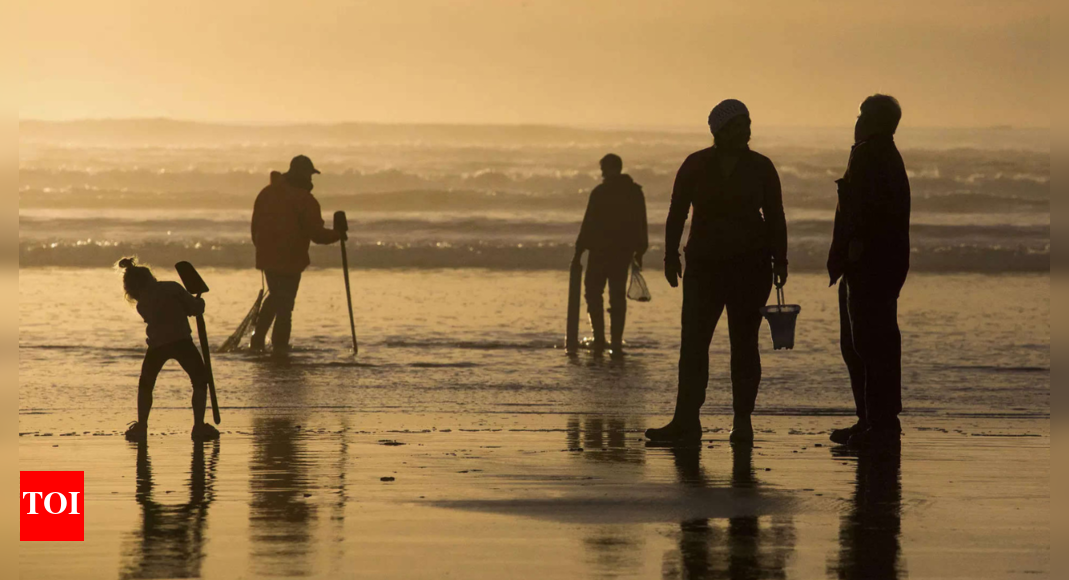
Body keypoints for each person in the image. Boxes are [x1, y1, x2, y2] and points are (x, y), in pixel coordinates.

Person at [646, 100, 788, 445]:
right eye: (738, 125)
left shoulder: (761, 167)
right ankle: (686, 421)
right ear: (719, 131)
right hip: (703, 266)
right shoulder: (695, 164)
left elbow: (775, 216)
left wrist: (780, 261)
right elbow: (676, 212)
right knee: (693, 344)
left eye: (748, 124)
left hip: (751, 267)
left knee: (744, 344)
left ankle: (742, 420)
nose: (746, 131)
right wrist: (669, 257)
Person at [827, 95, 911, 448]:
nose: (856, 120)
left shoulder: (867, 154)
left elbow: (859, 211)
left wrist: (852, 250)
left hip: (868, 265)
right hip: (886, 263)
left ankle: (878, 424)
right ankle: (873, 421)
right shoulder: (887, 155)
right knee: (875, 342)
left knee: (865, 344)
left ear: (874, 121)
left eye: (861, 114)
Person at [250, 155, 345, 353]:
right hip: (290, 259)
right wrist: (338, 235)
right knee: (285, 306)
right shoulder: (304, 199)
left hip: (267, 255)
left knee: (276, 297)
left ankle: (258, 340)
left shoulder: (267, 193)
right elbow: (317, 234)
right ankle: (279, 348)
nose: (311, 180)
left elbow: (255, 226)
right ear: (301, 174)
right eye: (309, 175)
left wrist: (261, 247)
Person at [118, 258, 220, 442]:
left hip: (157, 345)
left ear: (131, 290)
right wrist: (199, 304)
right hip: (182, 341)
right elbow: (194, 309)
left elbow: (165, 312)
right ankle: (198, 425)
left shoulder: (142, 305)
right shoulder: (173, 287)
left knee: (146, 384)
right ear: (151, 277)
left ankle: (142, 426)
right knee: (199, 380)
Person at [573, 154, 648, 356]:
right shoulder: (634, 192)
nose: (602, 173)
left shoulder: (600, 192)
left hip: (600, 251)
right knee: (616, 296)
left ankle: (600, 339)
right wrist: (640, 250)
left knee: (593, 293)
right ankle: (614, 342)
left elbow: (588, 223)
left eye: (604, 169)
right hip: (622, 252)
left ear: (611, 168)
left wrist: (579, 250)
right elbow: (642, 222)